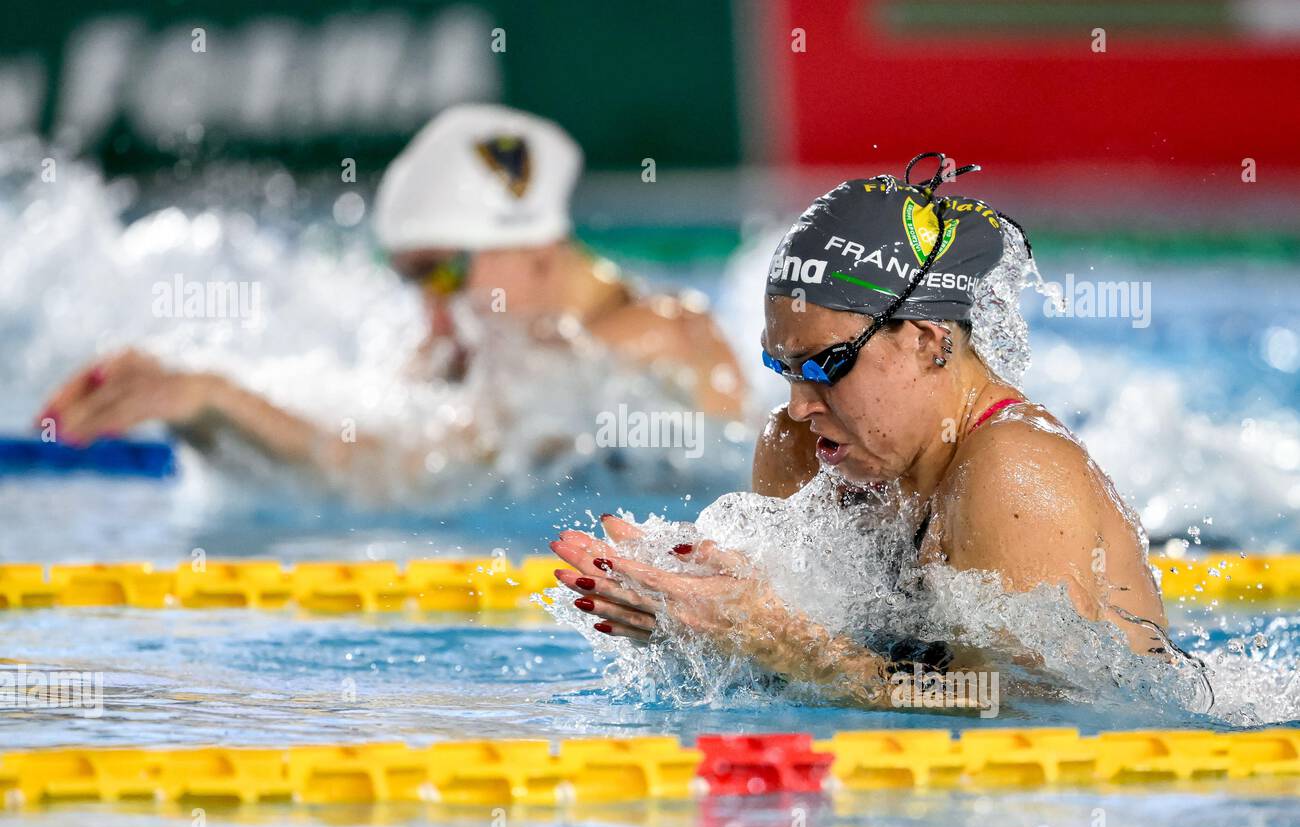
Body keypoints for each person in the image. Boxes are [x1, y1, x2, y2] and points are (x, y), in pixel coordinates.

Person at [551, 154, 1178, 707]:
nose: (799, 406)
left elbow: (1023, 710)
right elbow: (795, 670)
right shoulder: (801, 447)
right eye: (783, 366)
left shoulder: (1014, 473)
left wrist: (781, 644)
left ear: (929, 340)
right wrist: (690, 620)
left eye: (828, 364)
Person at [35, 105, 745, 482]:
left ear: (534, 249)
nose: (432, 310)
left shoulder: (657, 338)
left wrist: (217, 397)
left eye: (443, 272)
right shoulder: (459, 346)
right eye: (412, 279)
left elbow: (410, 475)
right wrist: (207, 404)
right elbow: (365, 444)